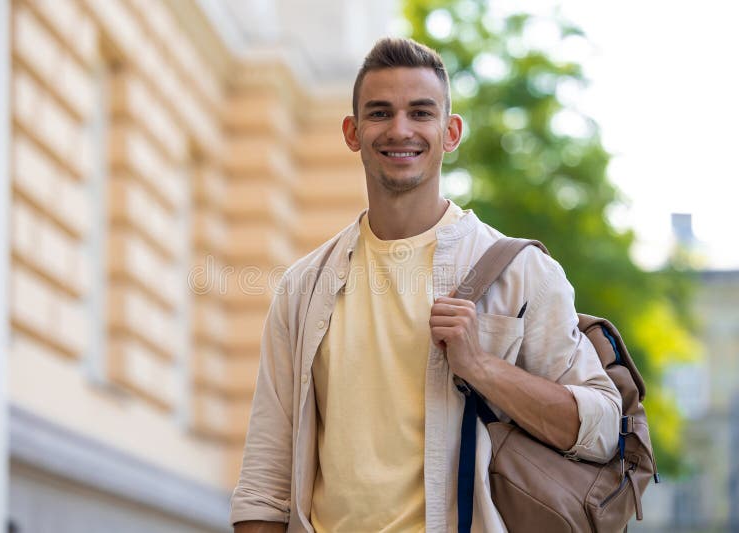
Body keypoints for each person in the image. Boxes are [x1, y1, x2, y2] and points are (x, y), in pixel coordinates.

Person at [230, 37, 621, 532]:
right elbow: (266, 477)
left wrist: (480, 367)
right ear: (352, 132)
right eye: (379, 113)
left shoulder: (521, 273)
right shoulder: (303, 287)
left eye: (420, 112)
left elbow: (604, 430)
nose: (400, 130)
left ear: (450, 131)